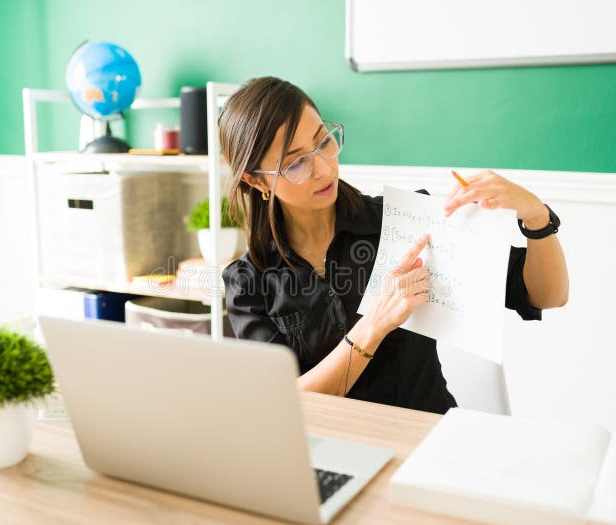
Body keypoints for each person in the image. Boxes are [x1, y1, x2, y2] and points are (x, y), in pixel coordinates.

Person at [219, 77, 568, 414]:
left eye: (323, 141)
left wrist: (535, 216)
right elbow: (286, 405)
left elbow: (546, 295)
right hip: (328, 453)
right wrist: (375, 325)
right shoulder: (247, 282)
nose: (324, 169)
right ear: (254, 180)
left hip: (424, 442)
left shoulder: (407, 222)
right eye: (296, 163)